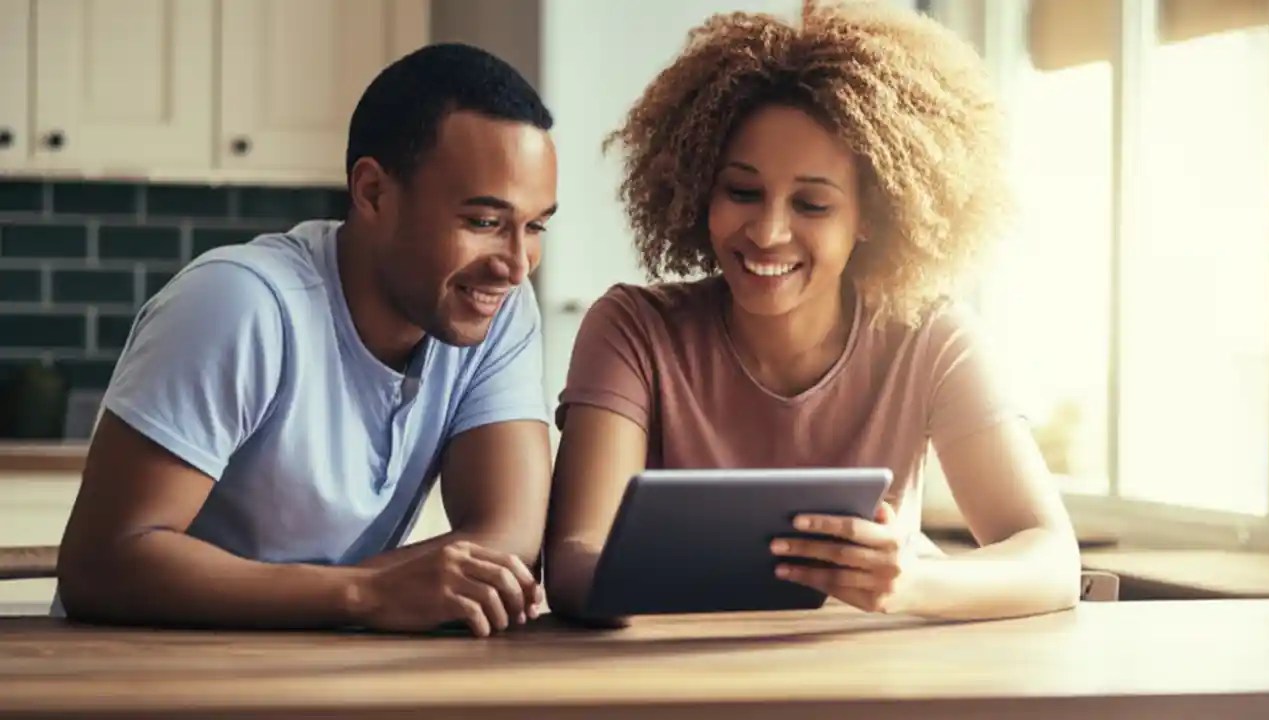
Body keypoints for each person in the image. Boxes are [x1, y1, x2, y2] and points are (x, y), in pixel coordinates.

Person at [546, 0, 1081, 624]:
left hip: (869, 684)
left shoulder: (930, 339)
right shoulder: (634, 331)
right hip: (675, 681)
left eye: (813, 204)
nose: (769, 232)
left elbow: (1053, 560)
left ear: (870, 217)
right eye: (742, 192)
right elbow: (574, 565)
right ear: (698, 191)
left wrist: (909, 583)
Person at [55, 43, 560, 638]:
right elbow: (102, 563)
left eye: (535, 226)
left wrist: (361, 599)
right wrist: (365, 594)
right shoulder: (239, 304)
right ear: (372, 192)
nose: (516, 264)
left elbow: (507, 538)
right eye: (484, 222)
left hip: (330, 673)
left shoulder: (494, 308)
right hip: (153, 677)